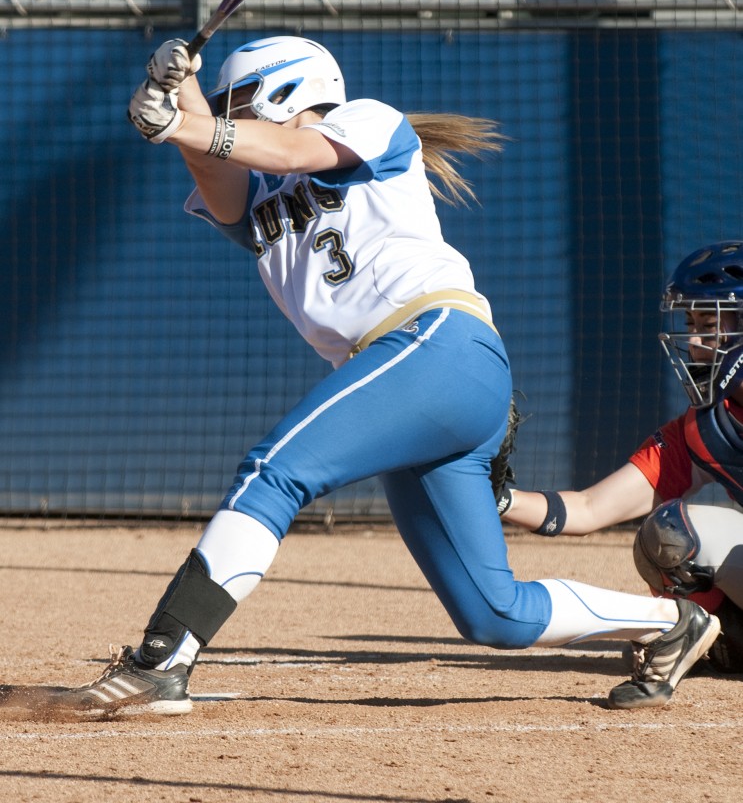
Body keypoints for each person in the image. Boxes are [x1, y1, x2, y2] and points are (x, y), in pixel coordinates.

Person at [54, 36, 719, 718]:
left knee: (273, 472)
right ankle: (670, 624)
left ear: (282, 95)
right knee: (494, 613)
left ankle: (163, 659)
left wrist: (182, 119)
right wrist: (183, 86)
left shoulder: (369, 120)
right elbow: (218, 165)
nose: (234, 123)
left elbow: (288, 150)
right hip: (414, 381)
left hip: (434, 345)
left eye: (239, 107)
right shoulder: (255, 196)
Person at [499, 240, 743, 690]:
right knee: (667, 536)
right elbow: (590, 508)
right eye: (690, 323)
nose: (692, 341)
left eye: (708, 324)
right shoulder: (705, 427)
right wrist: (498, 499)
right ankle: (729, 645)